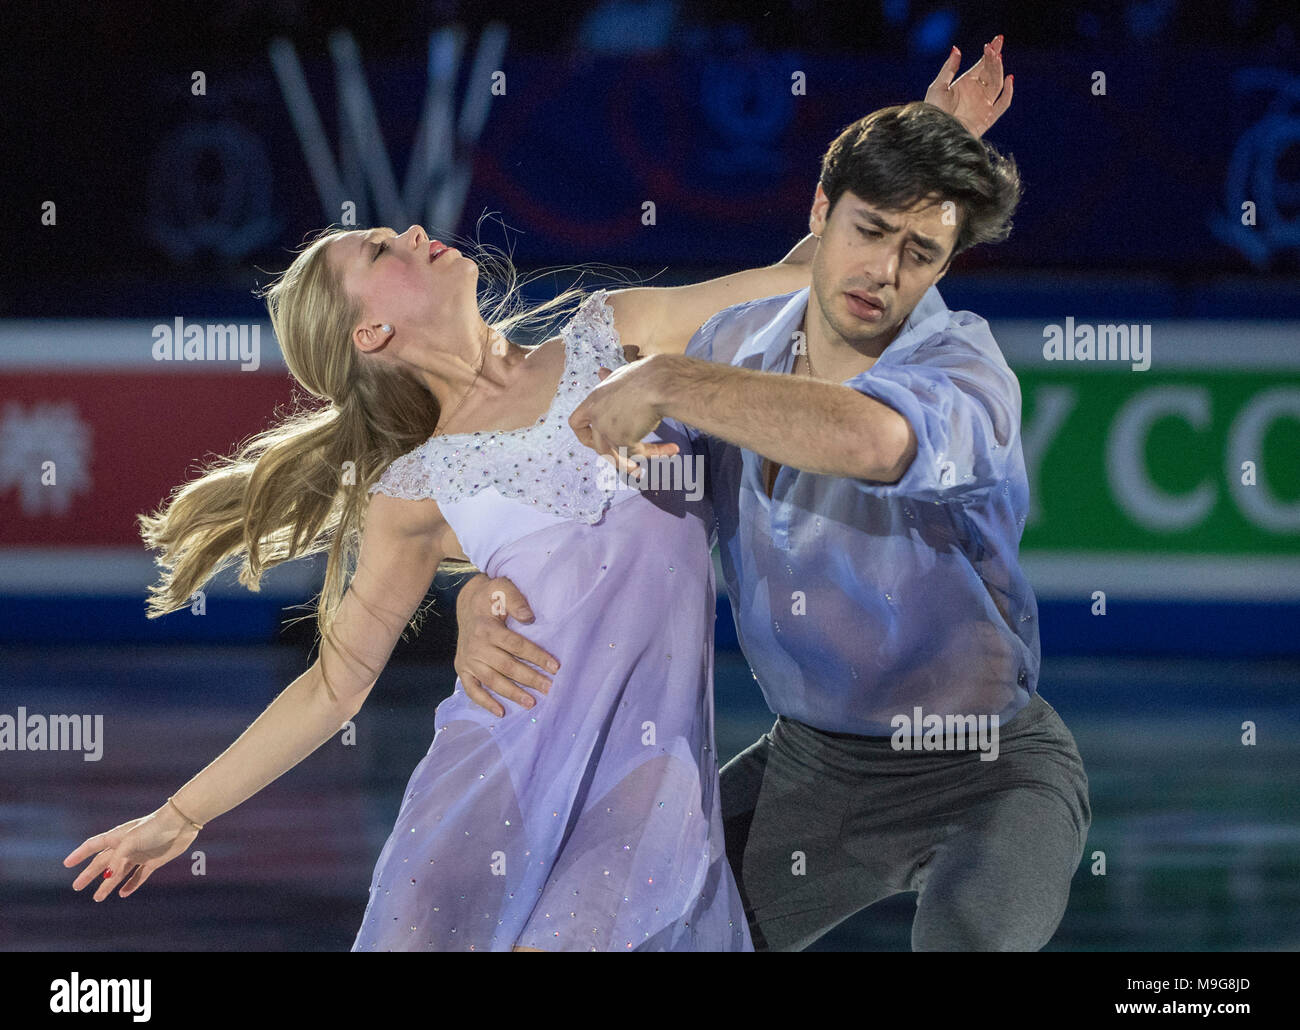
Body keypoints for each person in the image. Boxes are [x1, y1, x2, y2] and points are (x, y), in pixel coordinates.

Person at [62, 38, 1011, 952]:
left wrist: (926, 148)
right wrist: (179, 814)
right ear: (372, 335)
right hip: (496, 784)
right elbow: (330, 687)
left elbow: (801, 279)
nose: (417, 232)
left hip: (650, 781)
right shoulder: (416, 486)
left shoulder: (615, 335)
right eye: (386, 249)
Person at [456, 42, 1092, 953]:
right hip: (811, 771)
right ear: (820, 212)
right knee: (606, 934)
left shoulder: (964, 369)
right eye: (869, 231)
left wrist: (673, 380)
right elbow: (592, 504)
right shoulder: (735, 342)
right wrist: (479, 590)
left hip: (990, 772)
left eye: (921, 251)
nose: (883, 272)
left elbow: (869, 439)